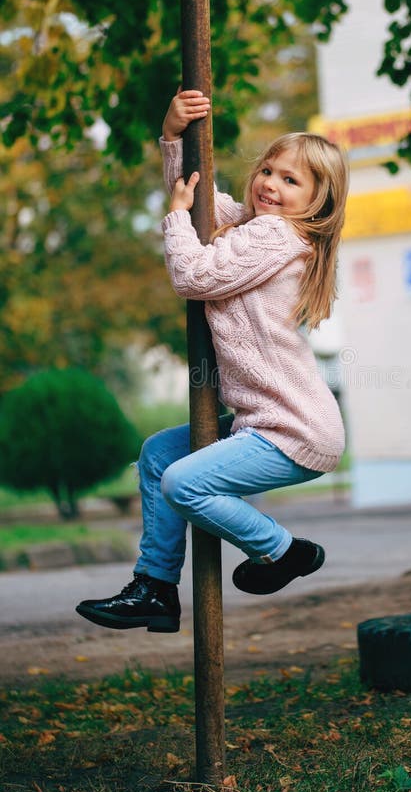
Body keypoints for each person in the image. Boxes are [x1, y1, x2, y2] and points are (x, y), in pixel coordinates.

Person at [76, 89, 349, 633]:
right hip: (263, 422)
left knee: (183, 482)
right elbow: (205, 206)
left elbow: (194, 274)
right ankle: (155, 585)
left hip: (292, 430)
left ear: (317, 202)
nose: (270, 184)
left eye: (291, 180)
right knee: (158, 456)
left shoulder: (277, 237)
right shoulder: (257, 227)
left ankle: (284, 550)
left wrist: (175, 220)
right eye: (268, 170)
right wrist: (174, 139)